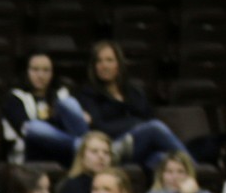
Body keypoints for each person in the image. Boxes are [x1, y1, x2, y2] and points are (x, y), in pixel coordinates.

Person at [76, 40, 188, 169]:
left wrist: (140, 128)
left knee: (160, 160)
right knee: (155, 128)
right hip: (114, 147)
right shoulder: (88, 94)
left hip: (141, 145)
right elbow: (99, 126)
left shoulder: (134, 92)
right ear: (94, 66)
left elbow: (148, 117)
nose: (104, 65)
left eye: (109, 60)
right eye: (99, 61)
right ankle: (197, 170)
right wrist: (136, 125)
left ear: (119, 64)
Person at [4, 51, 90, 163]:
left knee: (70, 102)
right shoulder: (15, 97)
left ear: (53, 73)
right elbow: (25, 129)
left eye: (46, 70)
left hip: (65, 150)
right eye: (35, 70)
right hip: (34, 150)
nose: (41, 75)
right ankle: (85, 147)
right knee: (33, 126)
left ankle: (86, 147)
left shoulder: (62, 93)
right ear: (26, 72)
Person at [52, 129, 115, 193]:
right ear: (82, 157)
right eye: (94, 151)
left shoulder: (118, 185)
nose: (101, 156)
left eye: (106, 152)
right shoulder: (70, 187)